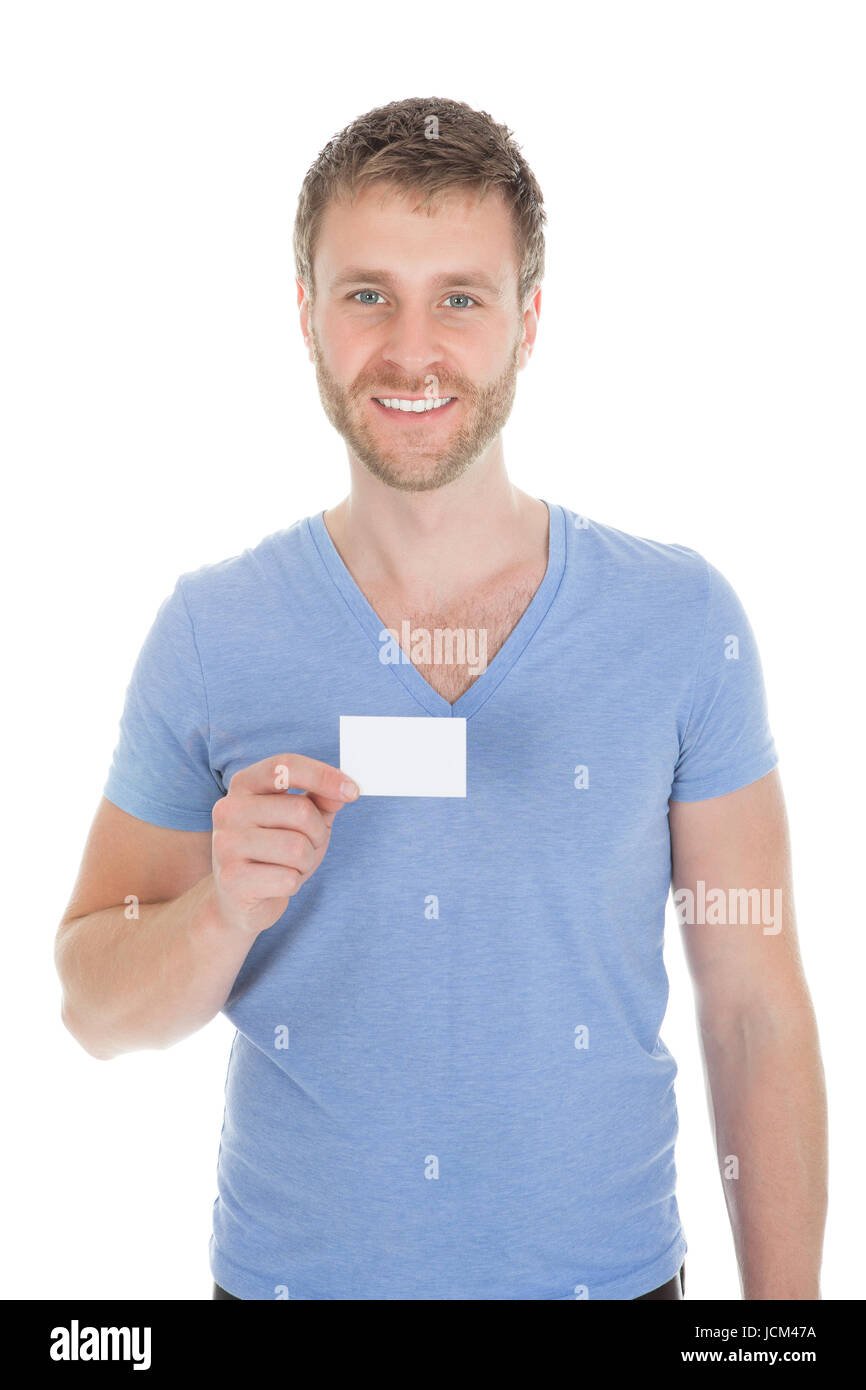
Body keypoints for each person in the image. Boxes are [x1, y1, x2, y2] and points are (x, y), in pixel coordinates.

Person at [54, 96, 827, 1301]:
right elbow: (94, 1008)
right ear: (305, 314)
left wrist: (784, 1334)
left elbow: (752, 1011)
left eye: (458, 298)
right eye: (368, 294)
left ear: (527, 321)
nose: (411, 351)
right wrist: (217, 910)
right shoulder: (211, 632)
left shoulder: (680, 621)